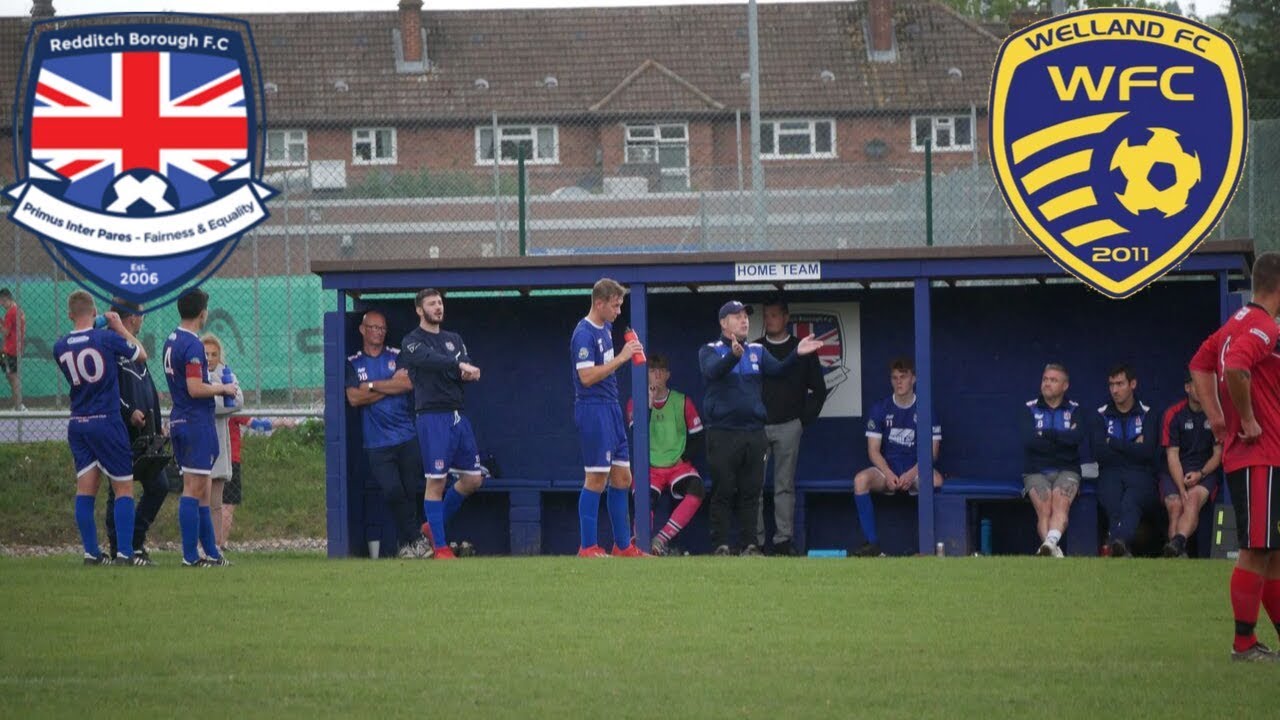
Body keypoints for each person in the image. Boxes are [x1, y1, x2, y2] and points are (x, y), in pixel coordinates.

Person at [1189, 251, 1280, 662]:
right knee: (1257, 550)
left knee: (1273, 553)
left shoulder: (1235, 323)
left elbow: (1200, 364)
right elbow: (1237, 369)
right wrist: (1244, 419)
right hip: (1258, 453)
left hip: (1259, 455)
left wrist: (1216, 418)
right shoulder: (1262, 327)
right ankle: (1243, 644)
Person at [700, 300, 821, 556]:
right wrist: (733, 356)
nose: (744, 320)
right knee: (723, 490)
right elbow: (711, 373)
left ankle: (750, 545)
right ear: (723, 323)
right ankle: (720, 544)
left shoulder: (757, 350)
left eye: (746, 316)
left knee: (751, 492)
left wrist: (797, 353)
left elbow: (778, 371)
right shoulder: (709, 350)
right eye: (737, 316)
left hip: (754, 432)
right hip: (723, 432)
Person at [53, 290, 148, 565]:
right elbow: (140, 354)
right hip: (106, 420)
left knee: (86, 489)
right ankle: (125, 554)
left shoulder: (60, 346)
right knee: (124, 489)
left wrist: (93, 323)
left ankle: (91, 552)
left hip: (79, 422)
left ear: (70, 314)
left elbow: (79, 337)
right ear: (95, 312)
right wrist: (118, 327)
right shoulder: (107, 338)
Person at [399, 289, 485, 560]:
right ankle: (441, 547)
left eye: (439, 303)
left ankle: (431, 527)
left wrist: (465, 370)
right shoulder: (412, 341)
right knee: (436, 481)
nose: (438, 307)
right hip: (432, 417)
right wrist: (456, 366)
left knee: (473, 479)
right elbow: (428, 361)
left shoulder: (453, 339)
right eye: (431, 304)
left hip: (458, 415)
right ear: (419, 310)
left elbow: (464, 367)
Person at [569, 278, 646, 557]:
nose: (618, 310)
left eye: (621, 304)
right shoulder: (584, 333)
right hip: (593, 408)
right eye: (614, 305)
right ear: (599, 303)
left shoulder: (607, 327)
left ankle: (623, 546)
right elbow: (586, 377)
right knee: (596, 478)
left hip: (611, 408)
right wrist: (623, 357)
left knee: (623, 477)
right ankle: (587, 546)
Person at [345, 309, 431, 558]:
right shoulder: (353, 362)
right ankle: (416, 540)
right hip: (376, 442)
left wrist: (371, 385)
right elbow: (353, 397)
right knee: (392, 491)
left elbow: (406, 384)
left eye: (382, 329)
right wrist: (388, 386)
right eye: (373, 327)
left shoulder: (397, 355)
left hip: (406, 436)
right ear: (362, 329)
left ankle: (406, 547)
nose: (378, 333)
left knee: (409, 491)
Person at [163, 288, 238, 568]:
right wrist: (223, 387)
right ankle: (190, 556)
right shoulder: (192, 344)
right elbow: (195, 388)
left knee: (203, 489)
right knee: (193, 489)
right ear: (202, 313)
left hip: (183, 418)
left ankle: (211, 552)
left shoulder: (170, 340)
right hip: (194, 421)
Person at [754, 298, 828, 556]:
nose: (770, 319)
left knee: (784, 485)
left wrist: (801, 421)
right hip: (759, 428)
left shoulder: (802, 349)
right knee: (754, 486)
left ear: (786, 318)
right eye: (766, 315)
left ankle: (783, 540)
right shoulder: (756, 348)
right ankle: (757, 542)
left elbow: (819, 389)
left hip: (788, 427)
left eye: (774, 315)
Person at [850, 357, 942, 557]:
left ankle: (926, 548)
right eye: (894, 378)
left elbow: (932, 452)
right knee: (860, 480)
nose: (899, 382)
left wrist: (911, 474)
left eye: (903, 377)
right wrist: (888, 473)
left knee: (935, 481)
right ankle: (872, 545)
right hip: (889, 469)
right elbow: (873, 450)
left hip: (915, 469)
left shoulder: (925, 409)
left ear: (914, 378)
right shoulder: (881, 408)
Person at [103, 299, 169, 562]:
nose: (143, 320)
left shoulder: (134, 348)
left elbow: (146, 386)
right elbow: (108, 389)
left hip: (146, 432)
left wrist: (158, 422)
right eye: (141, 315)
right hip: (121, 430)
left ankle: (135, 539)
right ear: (130, 317)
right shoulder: (111, 346)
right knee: (118, 490)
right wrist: (128, 412)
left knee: (159, 486)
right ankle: (119, 547)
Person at [625, 353, 706, 556]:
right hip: (650, 466)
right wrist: (649, 403)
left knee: (697, 488)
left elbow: (698, 435)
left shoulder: (682, 401)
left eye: (661, 371)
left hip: (677, 465)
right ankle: (641, 545)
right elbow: (637, 432)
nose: (657, 375)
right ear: (645, 375)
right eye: (652, 371)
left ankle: (660, 540)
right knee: (644, 497)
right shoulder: (636, 401)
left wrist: (684, 457)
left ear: (668, 375)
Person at [1091, 364, 1160, 558]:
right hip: (1110, 472)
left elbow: (1147, 452)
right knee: (1113, 503)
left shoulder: (1148, 413)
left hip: (1140, 473)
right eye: (1111, 384)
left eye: (1120, 384)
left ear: (1133, 384)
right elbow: (1099, 453)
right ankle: (1120, 546)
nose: (1115, 390)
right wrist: (1132, 446)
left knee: (1131, 501)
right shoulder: (1100, 414)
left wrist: (1112, 442)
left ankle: (1117, 543)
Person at [1019, 363, 1085, 558]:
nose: (1047, 384)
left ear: (1065, 386)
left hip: (1068, 469)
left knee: (1061, 504)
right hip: (1035, 470)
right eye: (1045, 379)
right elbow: (1029, 441)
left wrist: (1046, 435)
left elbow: (1077, 439)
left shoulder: (1075, 410)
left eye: (1053, 380)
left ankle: (1048, 545)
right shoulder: (1029, 409)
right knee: (1045, 508)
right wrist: (1063, 438)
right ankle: (1053, 549)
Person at [1158, 373, 1222, 558]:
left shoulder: (1215, 413)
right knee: (1176, 504)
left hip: (1204, 472)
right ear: (1188, 388)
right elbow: (1172, 455)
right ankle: (1178, 554)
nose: (1204, 389)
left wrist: (1200, 474)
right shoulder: (1173, 414)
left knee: (1192, 499)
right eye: (1199, 385)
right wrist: (1180, 487)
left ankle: (1177, 544)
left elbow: (1218, 455)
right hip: (1174, 471)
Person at [202, 333, 244, 552]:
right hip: (199, 442)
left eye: (214, 354)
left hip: (220, 442)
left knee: (217, 501)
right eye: (206, 354)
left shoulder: (226, 374)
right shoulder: (195, 375)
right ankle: (200, 545)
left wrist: (216, 396)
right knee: (201, 498)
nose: (209, 358)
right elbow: (205, 403)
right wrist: (219, 395)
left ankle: (216, 545)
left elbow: (237, 401)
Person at [0, 288, 26, 411]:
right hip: (14, 349)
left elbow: (5, 332)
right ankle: (18, 405)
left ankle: (19, 406)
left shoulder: (11, 312)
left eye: (2, 302)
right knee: (11, 376)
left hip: (9, 350)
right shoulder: (18, 310)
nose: (1, 305)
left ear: (7, 299)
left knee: (12, 377)